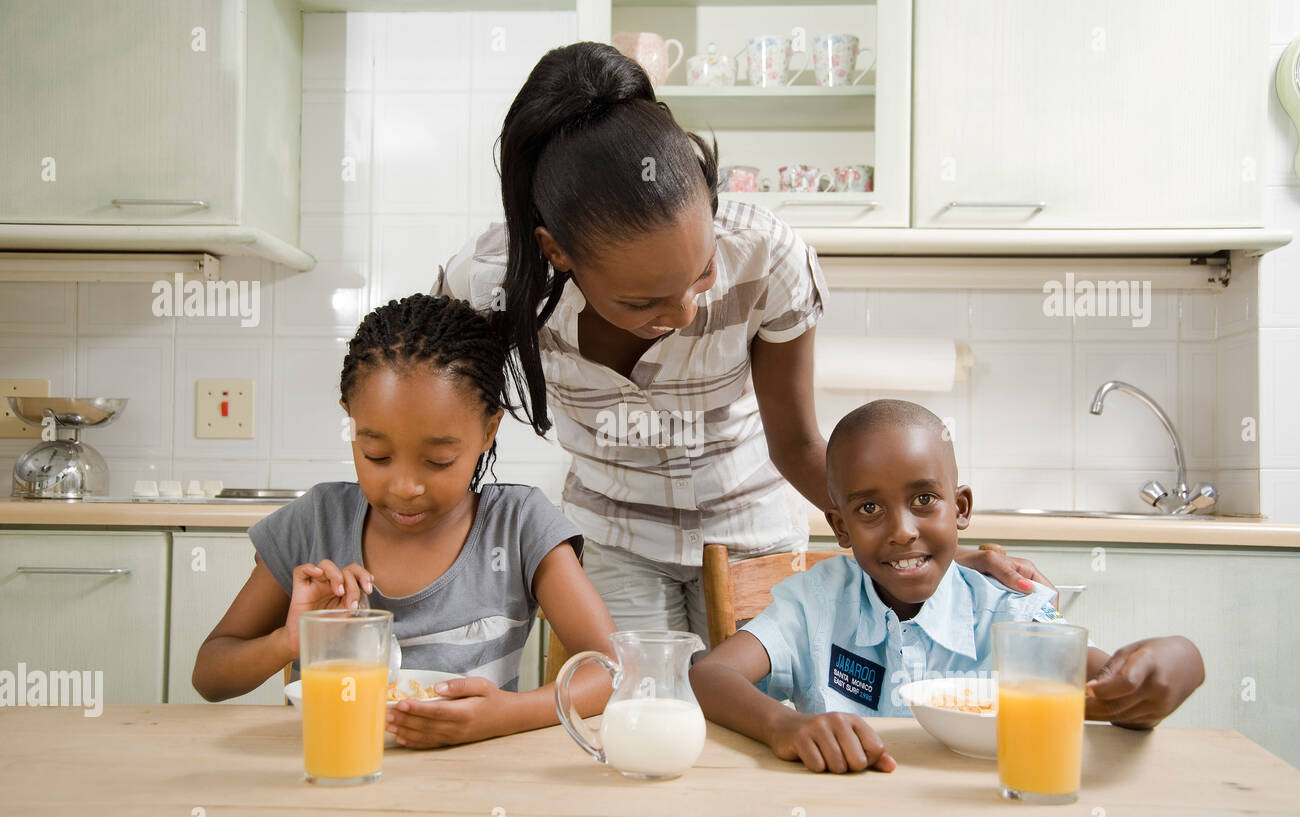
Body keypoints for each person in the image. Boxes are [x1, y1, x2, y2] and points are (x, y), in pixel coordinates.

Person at [435, 40, 1051, 638]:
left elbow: (799, 444)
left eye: (700, 274)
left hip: (749, 529)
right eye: (641, 301)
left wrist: (942, 555)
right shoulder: (486, 284)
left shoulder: (764, 257)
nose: (682, 312)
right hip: (611, 539)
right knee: (631, 717)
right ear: (557, 252)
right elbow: (442, 437)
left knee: (757, 720)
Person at [689, 399, 1206, 774]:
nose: (901, 530)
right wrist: (785, 726)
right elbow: (709, 677)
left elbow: (1110, 683)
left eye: (923, 500)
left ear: (960, 509)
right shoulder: (814, 602)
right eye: (869, 509)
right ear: (841, 527)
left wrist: (1179, 659)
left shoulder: (1007, 613)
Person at [191, 294, 616, 748]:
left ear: (489, 431)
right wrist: (289, 641)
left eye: (438, 460)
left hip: (473, 785)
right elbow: (210, 677)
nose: (405, 486)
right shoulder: (316, 522)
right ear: (350, 422)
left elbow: (612, 671)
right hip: (333, 772)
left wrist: (507, 714)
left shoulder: (520, 527)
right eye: (377, 455)